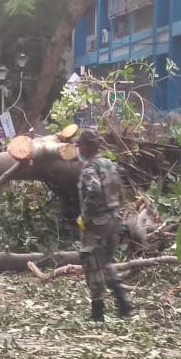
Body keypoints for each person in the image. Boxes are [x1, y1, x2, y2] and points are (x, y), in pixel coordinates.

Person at [76, 130, 132, 321]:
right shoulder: (110, 165)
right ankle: (123, 302)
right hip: (114, 220)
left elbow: (95, 190)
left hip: (97, 223)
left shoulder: (89, 167)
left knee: (92, 264)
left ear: (88, 146)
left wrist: (87, 216)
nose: (78, 148)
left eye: (80, 145)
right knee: (106, 262)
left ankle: (97, 312)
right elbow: (121, 192)